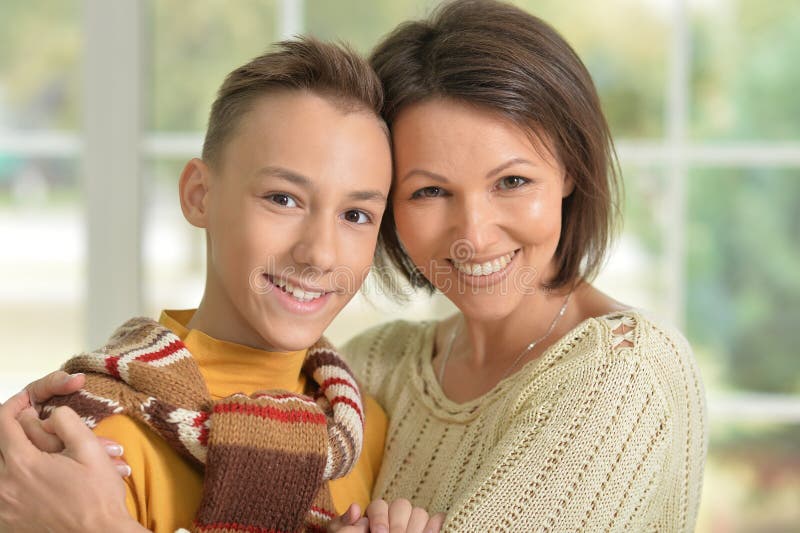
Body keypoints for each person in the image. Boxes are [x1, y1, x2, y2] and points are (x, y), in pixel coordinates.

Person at [2, 1, 708, 531]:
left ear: (571, 175)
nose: (474, 231)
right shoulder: (365, 377)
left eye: (512, 181)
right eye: (430, 190)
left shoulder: (623, 374)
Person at [0, 36, 417, 533]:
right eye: (283, 199)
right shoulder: (89, 441)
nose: (320, 253)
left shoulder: (367, 432)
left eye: (356, 214)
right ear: (199, 196)